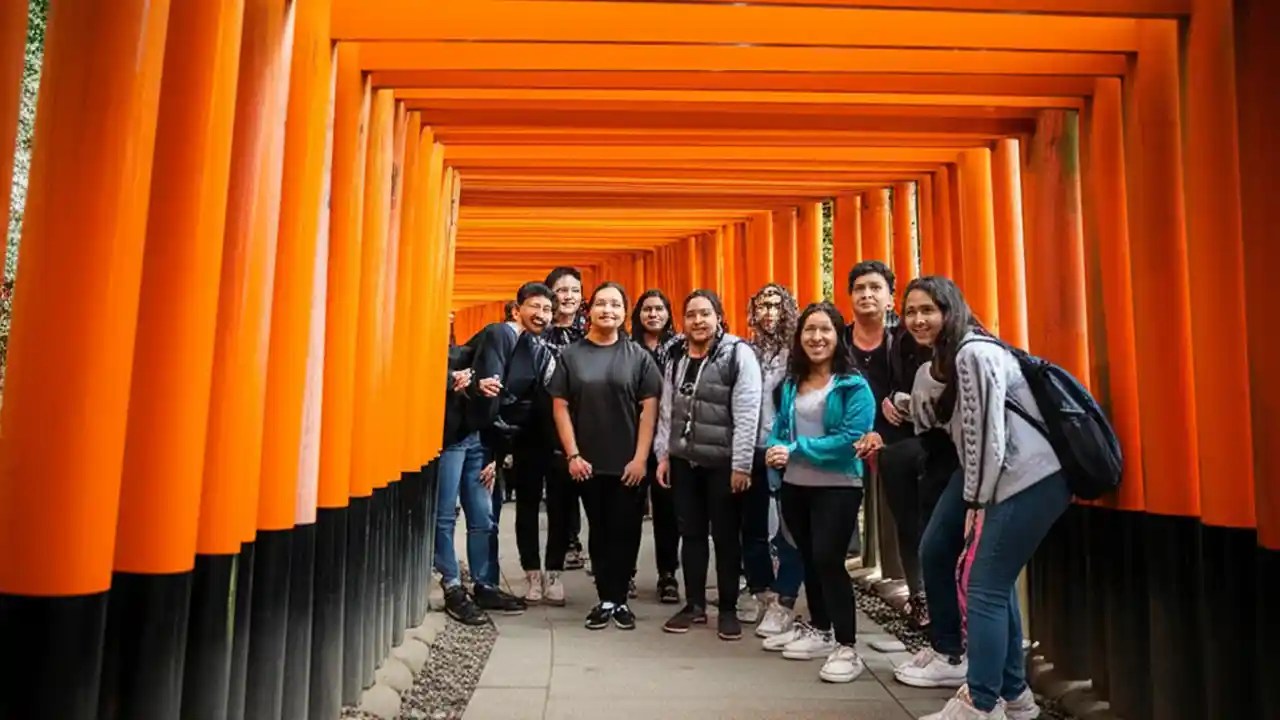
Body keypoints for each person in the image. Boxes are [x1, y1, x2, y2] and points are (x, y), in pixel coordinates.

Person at [897, 276, 1062, 720]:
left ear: (951, 310)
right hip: (994, 476)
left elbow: (987, 436)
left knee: (984, 584)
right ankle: (1016, 697)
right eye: (910, 311)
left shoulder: (974, 353)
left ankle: (980, 703)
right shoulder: (947, 359)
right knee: (976, 572)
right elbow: (947, 429)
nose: (917, 319)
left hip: (1024, 478)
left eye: (927, 309)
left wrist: (976, 504)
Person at [764, 302, 875, 684]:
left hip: (838, 487)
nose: (816, 338)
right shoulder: (793, 382)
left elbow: (850, 439)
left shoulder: (853, 385)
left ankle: (847, 645)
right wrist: (776, 447)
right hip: (796, 486)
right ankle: (820, 627)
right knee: (809, 557)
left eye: (825, 329)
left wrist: (795, 450)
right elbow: (781, 427)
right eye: (809, 330)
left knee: (829, 559)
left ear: (838, 335)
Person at [549, 282, 662, 630]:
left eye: (615, 304)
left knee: (626, 530)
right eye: (600, 304)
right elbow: (560, 407)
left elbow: (649, 410)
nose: (607, 310)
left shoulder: (638, 357)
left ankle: (621, 600)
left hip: (628, 461)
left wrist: (641, 458)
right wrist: (573, 455)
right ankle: (606, 599)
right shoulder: (571, 356)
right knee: (598, 529)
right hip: (588, 461)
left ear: (624, 312)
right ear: (590, 310)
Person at [655, 290, 762, 641]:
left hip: (724, 462)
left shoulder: (737, 354)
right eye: (691, 315)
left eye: (705, 313)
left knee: (727, 536)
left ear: (719, 316)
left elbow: (748, 411)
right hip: (686, 461)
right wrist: (664, 455)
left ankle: (728, 607)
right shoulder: (676, 356)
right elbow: (667, 410)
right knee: (692, 534)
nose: (698, 321)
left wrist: (742, 465)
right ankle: (695, 604)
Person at [843, 260, 935, 634]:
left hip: (905, 442)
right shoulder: (840, 340)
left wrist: (889, 420)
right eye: (860, 288)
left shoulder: (907, 339)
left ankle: (923, 595)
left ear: (889, 296)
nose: (867, 295)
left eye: (875, 288)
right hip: (849, 439)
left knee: (914, 521)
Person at [464, 282, 558, 615]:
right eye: (535, 307)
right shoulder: (501, 334)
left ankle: (486, 582)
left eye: (548, 309)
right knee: (480, 515)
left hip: (493, 438)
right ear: (516, 309)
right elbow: (492, 395)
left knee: (487, 514)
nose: (543, 315)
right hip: (477, 438)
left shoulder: (528, 344)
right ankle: (481, 584)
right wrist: (494, 453)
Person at [742, 283, 806, 637]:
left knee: (789, 525)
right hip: (751, 445)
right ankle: (760, 589)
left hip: (787, 448)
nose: (769, 313)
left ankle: (786, 593)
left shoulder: (797, 354)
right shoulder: (744, 351)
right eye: (763, 305)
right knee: (752, 525)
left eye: (776, 305)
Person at [435, 337, 504, 625]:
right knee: (445, 514)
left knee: (482, 516)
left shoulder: (508, 353)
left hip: (477, 437)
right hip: (451, 437)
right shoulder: (477, 347)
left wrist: (496, 453)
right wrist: (453, 381)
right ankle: (451, 583)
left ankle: (483, 583)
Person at [630, 289, 684, 604]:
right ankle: (627, 573)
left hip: (667, 438)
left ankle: (668, 574)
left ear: (668, 314)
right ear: (638, 314)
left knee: (667, 511)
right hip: (633, 437)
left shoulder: (679, 347)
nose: (653, 315)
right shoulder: (629, 347)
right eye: (647, 309)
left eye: (659, 309)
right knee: (629, 510)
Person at [543, 267, 589, 571]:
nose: (568, 296)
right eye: (561, 290)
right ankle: (564, 547)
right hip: (549, 420)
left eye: (574, 290)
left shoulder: (591, 331)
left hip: (588, 418)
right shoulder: (540, 332)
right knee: (559, 490)